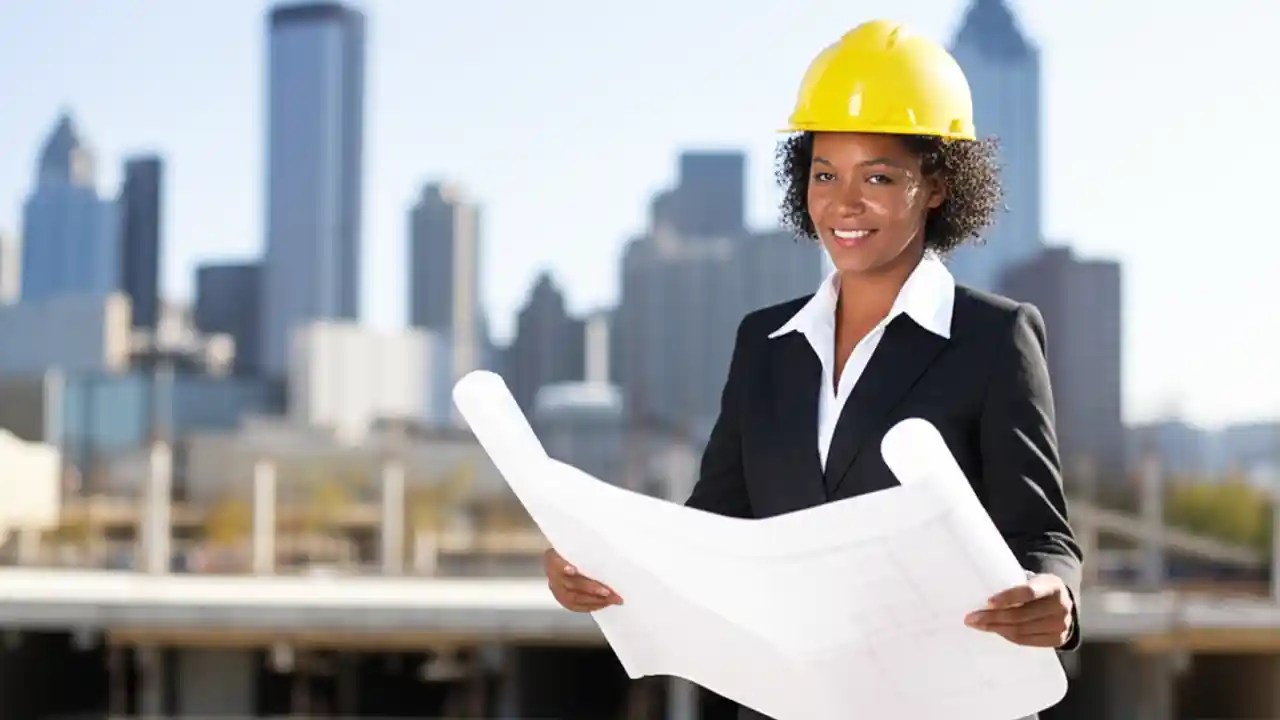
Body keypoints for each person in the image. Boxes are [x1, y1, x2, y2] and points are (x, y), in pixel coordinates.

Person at [543, 18, 1083, 719]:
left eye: (878, 176)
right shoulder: (765, 344)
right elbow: (713, 532)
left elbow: (1041, 535)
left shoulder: (993, 338)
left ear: (937, 185)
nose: (843, 202)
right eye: (825, 174)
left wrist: (1055, 598)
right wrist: (603, 566)